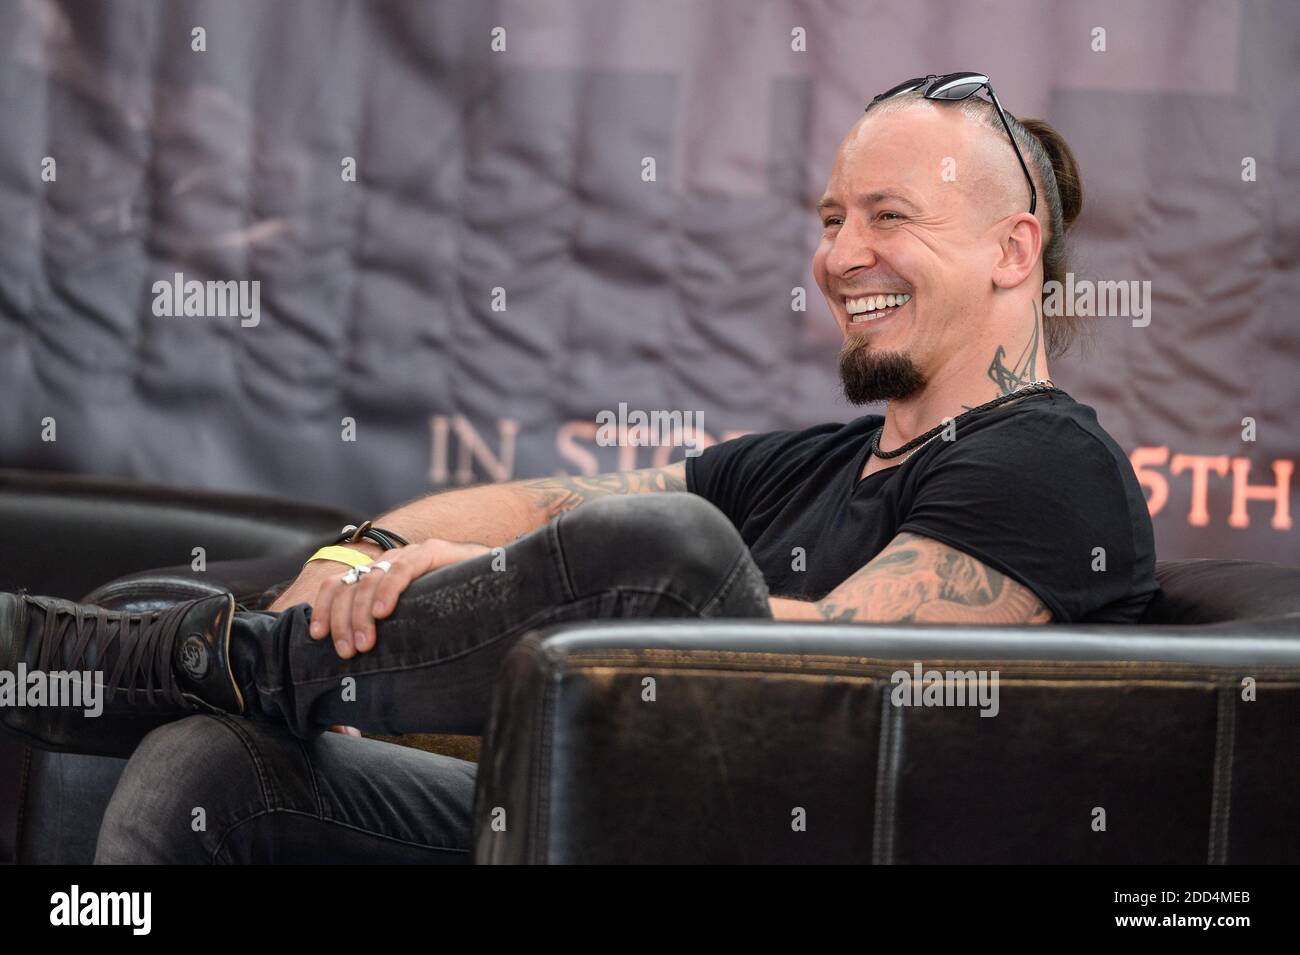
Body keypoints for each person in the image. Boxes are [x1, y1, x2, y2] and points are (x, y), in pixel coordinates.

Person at [0, 73, 1156, 863]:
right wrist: (372, 550)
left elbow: (825, 678)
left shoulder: (1052, 461)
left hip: (801, 832)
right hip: (615, 820)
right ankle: (226, 672)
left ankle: (193, 659)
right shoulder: (812, 461)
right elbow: (548, 504)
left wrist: (516, 589)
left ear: (1014, 251)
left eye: (887, 216)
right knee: (208, 765)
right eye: (830, 215)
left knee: (668, 558)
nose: (840, 253)